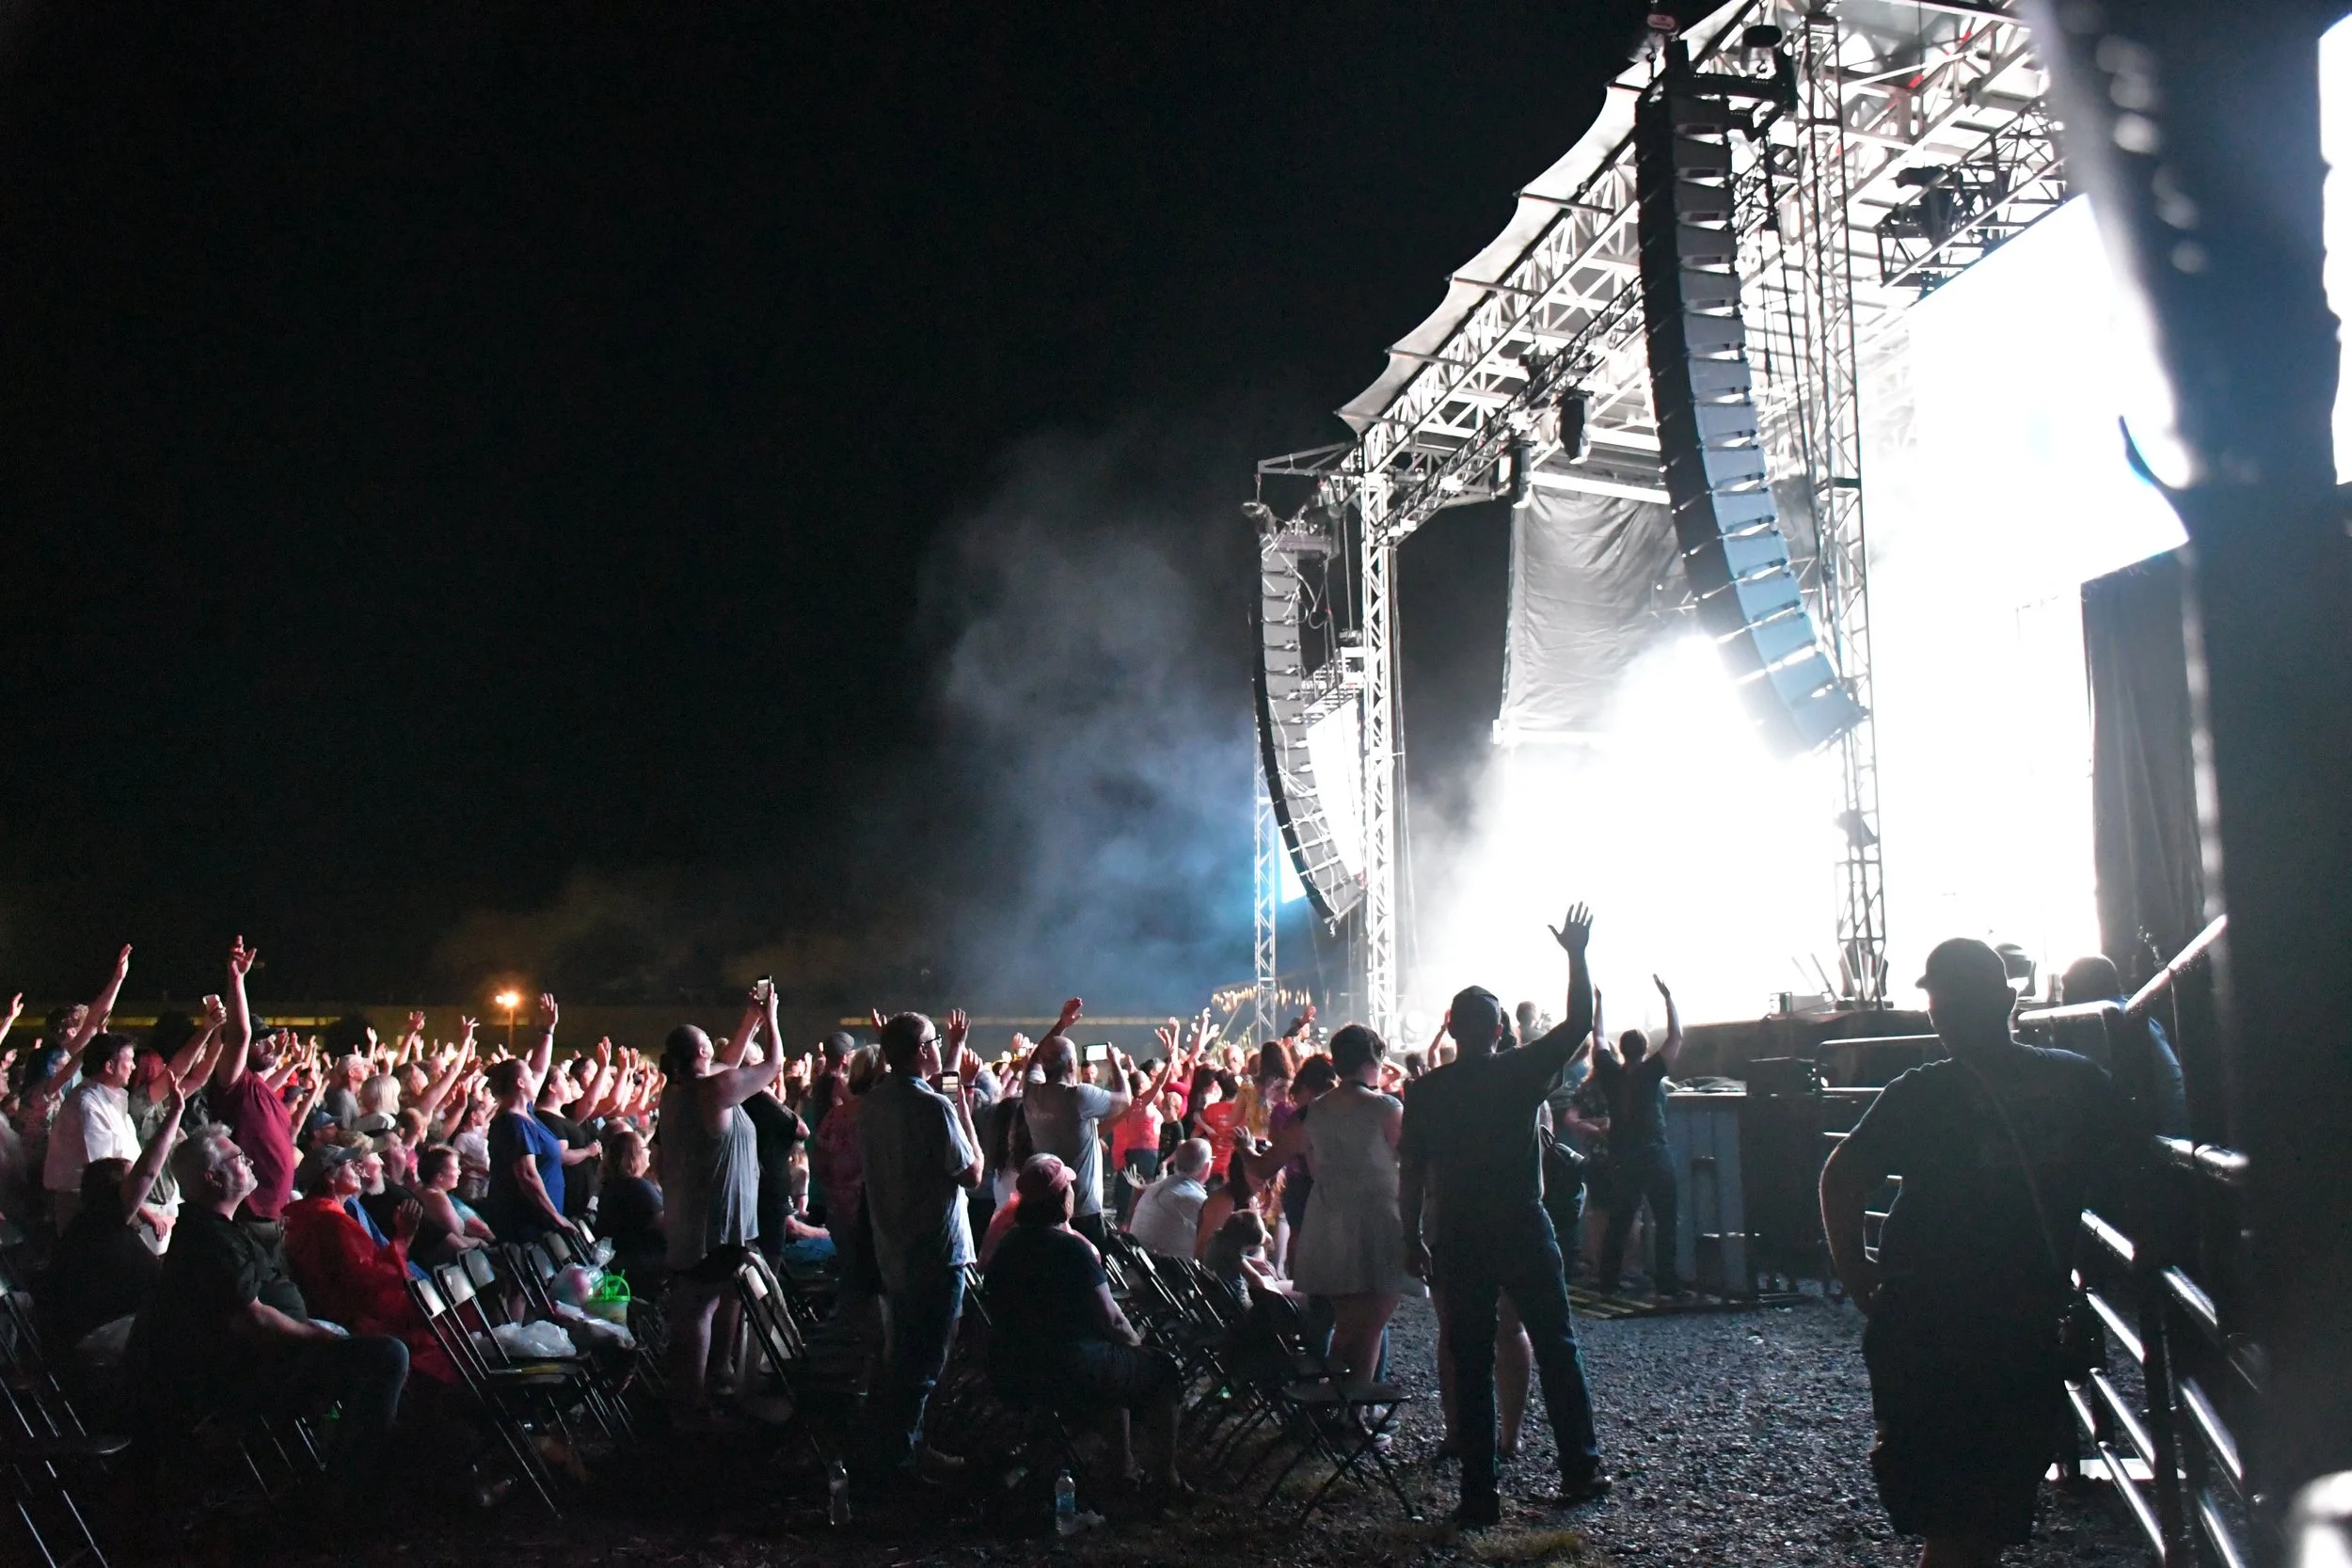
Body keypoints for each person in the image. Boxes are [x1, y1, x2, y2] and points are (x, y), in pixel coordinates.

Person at [1820, 937, 2134, 1568]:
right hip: (2023, 1317)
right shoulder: (2077, 1081)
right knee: (1983, 1512)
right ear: (2010, 999)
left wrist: (1859, 1277)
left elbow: (1842, 1177)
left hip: (1925, 1321)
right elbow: (2132, 1175)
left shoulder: (1921, 1092)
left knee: (1953, 1515)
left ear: (1940, 1008)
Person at [1399, 902, 1609, 1527]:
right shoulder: (1518, 1071)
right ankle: (1579, 1467)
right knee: (1555, 1345)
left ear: (1452, 1028)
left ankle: (1479, 1494)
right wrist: (1575, 954)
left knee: (1470, 1358)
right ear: (1497, 1031)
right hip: (1520, 1222)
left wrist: (1412, 1234)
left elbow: (1412, 1170)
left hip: (1459, 1231)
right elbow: (1578, 1022)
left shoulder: (1427, 1091)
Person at [131, 1125, 410, 1496]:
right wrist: (318, 1336)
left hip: (272, 1352)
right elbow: (253, 1318)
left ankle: (350, 1477)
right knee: (387, 1355)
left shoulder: (222, 1229)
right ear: (214, 1177)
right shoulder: (208, 1239)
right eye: (238, 1159)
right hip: (248, 1372)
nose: (248, 1162)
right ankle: (348, 1487)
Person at [982, 1155, 1184, 1494]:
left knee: (1113, 1363)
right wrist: (1140, 1348)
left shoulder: (1008, 1246)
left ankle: (1123, 1467)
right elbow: (1114, 1320)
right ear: (1062, 1198)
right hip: (1067, 1369)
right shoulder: (1073, 1250)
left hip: (1011, 1368)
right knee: (1159, 1368)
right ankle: (1166, 1478)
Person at [860, 1005, 988, 1475]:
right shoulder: (933, 1107)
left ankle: (897, 1443)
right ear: (919, 1052)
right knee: (926, 1358)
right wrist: (961, 1111)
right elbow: (972, 1172)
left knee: (904, 1351)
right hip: (937, 1249)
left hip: (892, 1243)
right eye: (934, 1042)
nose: (937, 1048)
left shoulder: (874, 1102)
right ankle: (902, 1458)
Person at [1253, 1023, 1421, 1383]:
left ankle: (1344, 1411)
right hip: (1378, 1221)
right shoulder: (1385, 1106)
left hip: (1328, 1223)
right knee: (1370, 1325)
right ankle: (1351, 1414)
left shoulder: (1312, 1112)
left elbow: (1266, 1166)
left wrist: (1242, 1151)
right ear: (1373, 1060)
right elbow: (1415, 1161)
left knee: (1349, 1327)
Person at [658, 985, 784, 1427]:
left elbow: (728, 1065)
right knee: (698, 1308)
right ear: (702, 1053)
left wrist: (748, 1019)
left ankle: (711, 1384)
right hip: (713, 1223)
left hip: (702, 1219)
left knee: (711, 1302)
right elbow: (771, 1066)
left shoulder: (684, 1090)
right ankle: (691, 1404)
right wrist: (770, 1018)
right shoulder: (714, 1090)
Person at [38, 1082, 186, 1372]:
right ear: (118, 1191)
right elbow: (148, 1171)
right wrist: (174, 1115)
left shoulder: (91, 1224)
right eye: (131, 1184)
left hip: (111, 1331)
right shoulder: (103, 1222)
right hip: (100, 1343)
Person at [283, 1143, 455, 1386]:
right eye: (348, 1165)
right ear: (330, 1179)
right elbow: (370, 1285)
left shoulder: (314, 1213)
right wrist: (403, 1239)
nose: (357, 1168)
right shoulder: (331, 1220)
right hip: (362, 1320)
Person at [1593, 974, 1686, 1298]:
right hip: (1654, 1152)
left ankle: (1608, 1282)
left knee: (1620, 1220)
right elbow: (1676, 1037)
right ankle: (1667, 1283)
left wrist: (1599, 1003)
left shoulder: (1609, 1073)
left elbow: (1599, 1037)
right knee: (1666, 1218)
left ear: (1622, 1050)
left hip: (1622, 1153)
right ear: (1645, 1050)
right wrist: (1669, 999)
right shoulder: (1650, 1074)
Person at [208, 936, 298, 1221]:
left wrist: (292, 1061)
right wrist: (236, 979)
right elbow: (239, 1035)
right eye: (262, 1042)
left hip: (271, 1213)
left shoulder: (256, 1086)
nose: (270, 1046)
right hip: (248, 1214)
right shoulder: (232, 1082)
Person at [2057, 954, 2190, 1137]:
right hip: (2180, 1124)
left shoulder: (2092, 1019)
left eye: (2065, 985)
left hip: (2156, 1133)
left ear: (2078, 986)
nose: (2063, 994)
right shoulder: (2134, 1012)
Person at [1020, 1019, 1127, 1247]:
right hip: (1082, 1208)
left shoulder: (1031, 1092)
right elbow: (1124, 1100)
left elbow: (1033, 1062)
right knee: (1088, 1274)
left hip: (1047, 1205)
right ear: (1071, 1065)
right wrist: (1115, 1063)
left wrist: (1061, 1024)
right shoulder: (1078, 1096)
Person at [484, 1001, 572, 1244]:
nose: (536, 1079)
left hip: (536, 1222)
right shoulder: (514, 1124)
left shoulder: (526, 1113)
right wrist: (554, 1216)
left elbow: (540, 1067)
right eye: (528, 1076)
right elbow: (527, 1175)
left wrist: (548, 1031)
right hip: (525, 1225)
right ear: (520, 1084)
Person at [43, 1032, 144, 1233]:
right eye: (130, 1061)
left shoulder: (111, 1100)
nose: (134, 1067)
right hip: (89, 1208)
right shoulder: (87, 1104)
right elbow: (104, 1172)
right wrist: (145, 1212)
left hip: (112, 1202)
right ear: (109, 1066)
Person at [596, 1125, 666, 1283]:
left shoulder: (612, 1186)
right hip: (640, 1261)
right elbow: (665, 1226)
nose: (649, 1152)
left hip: (621, 1259)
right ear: (633, 1156)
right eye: (645, 1148)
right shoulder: (637, 1187)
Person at [1127, 1137, 1211, 1260]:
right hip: (1171, 1273)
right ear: (1206, 1168)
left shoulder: (1152, 1189)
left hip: (1139, 1266)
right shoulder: (1200, 1203)